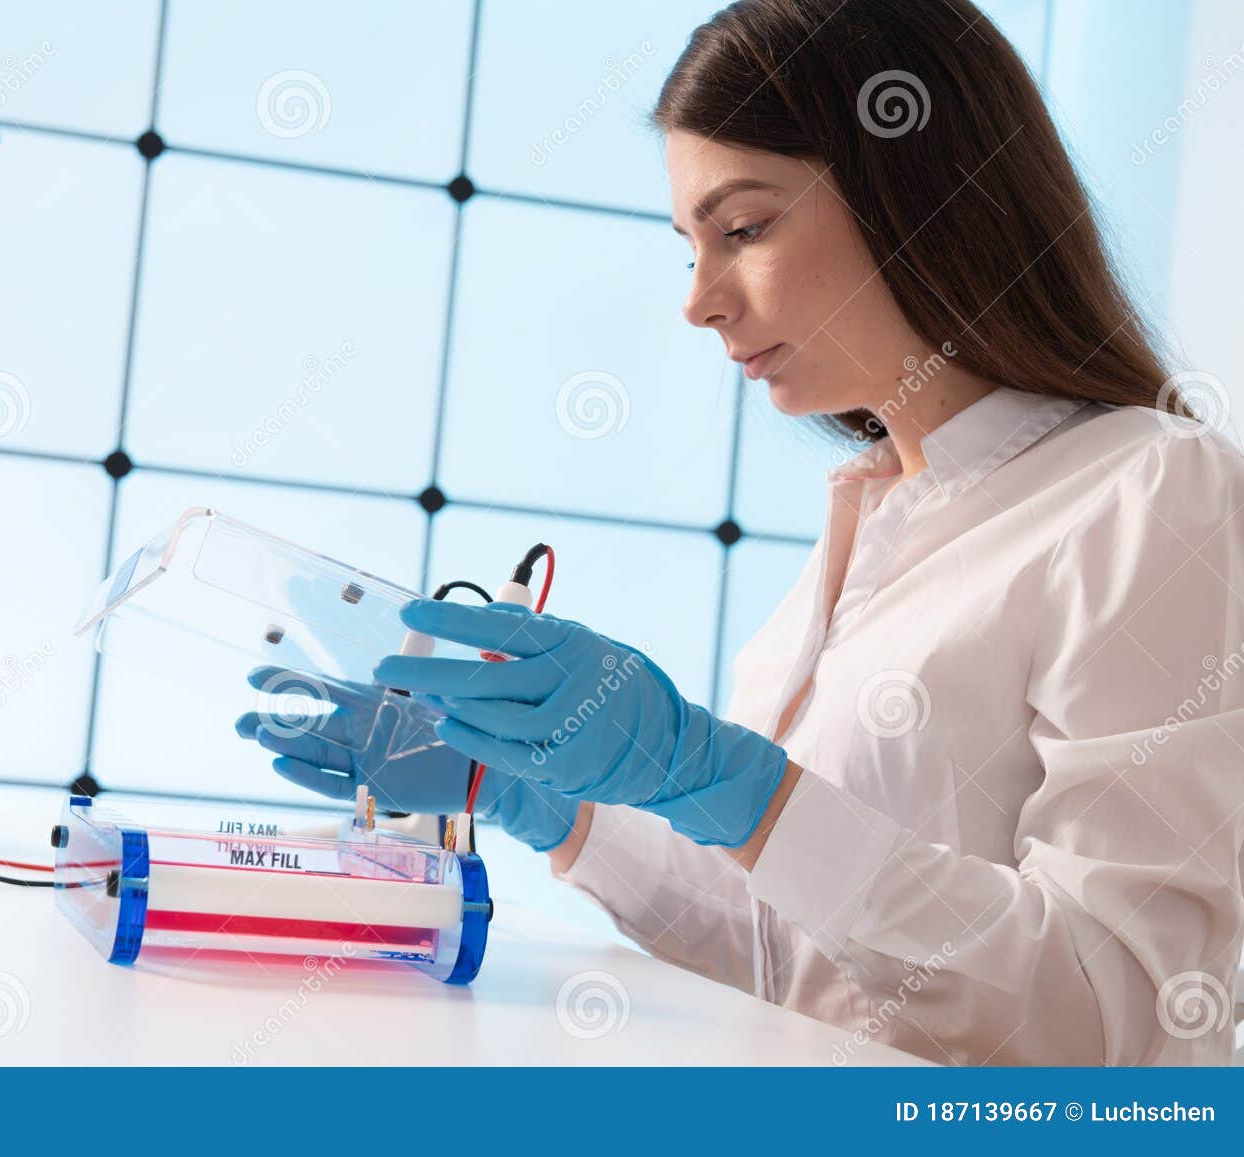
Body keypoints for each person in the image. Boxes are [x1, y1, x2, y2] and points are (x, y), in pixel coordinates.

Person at [237, 0, 1244, 1066]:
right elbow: (790, 966)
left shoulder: (1152, 490)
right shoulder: (872, 525)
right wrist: (552, 805)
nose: (699, 301)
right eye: (688, 246)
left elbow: (1127, 1018)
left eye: (744, 228)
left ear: (919, 192)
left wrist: (728, 782)